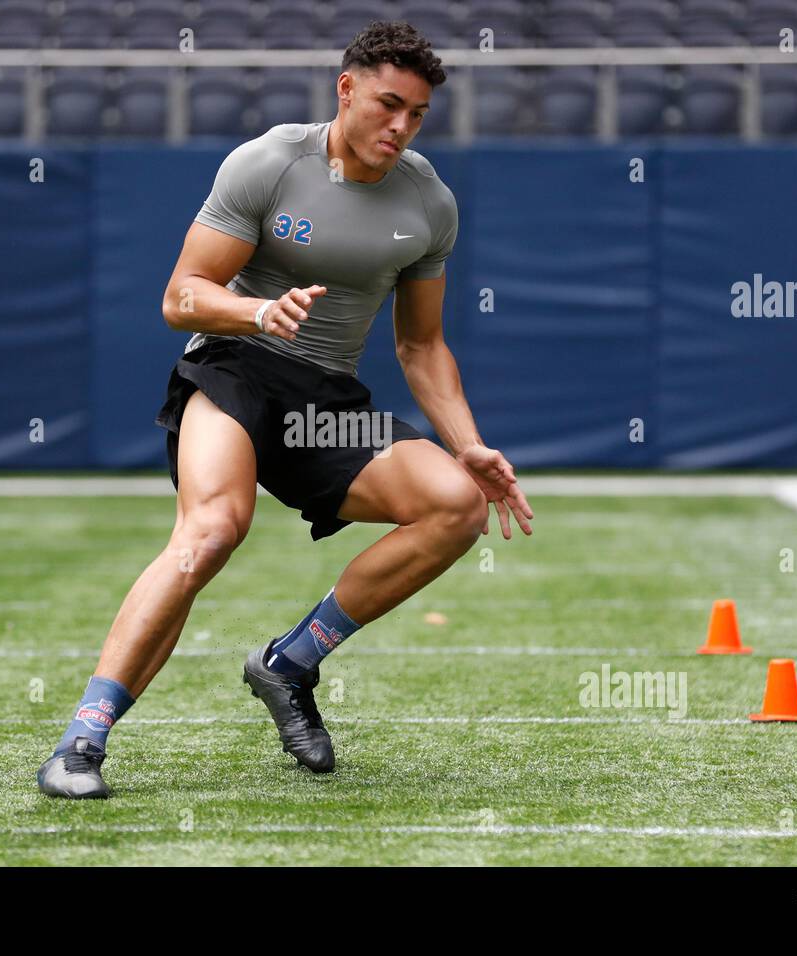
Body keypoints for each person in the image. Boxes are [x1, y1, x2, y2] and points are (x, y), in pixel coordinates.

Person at [38, 20, 533, 798]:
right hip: (234, 370)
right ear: (347, 90)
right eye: (387, 104)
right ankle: (80, 743)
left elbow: (422, 348)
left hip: (325, 400)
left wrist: (467, 443)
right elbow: (181, 297)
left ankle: (288, 663)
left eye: (417, 114)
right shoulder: (271, 162)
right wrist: (256, 312)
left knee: (455, 505)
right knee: (210, 533)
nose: (399, 126)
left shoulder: (430, 202)